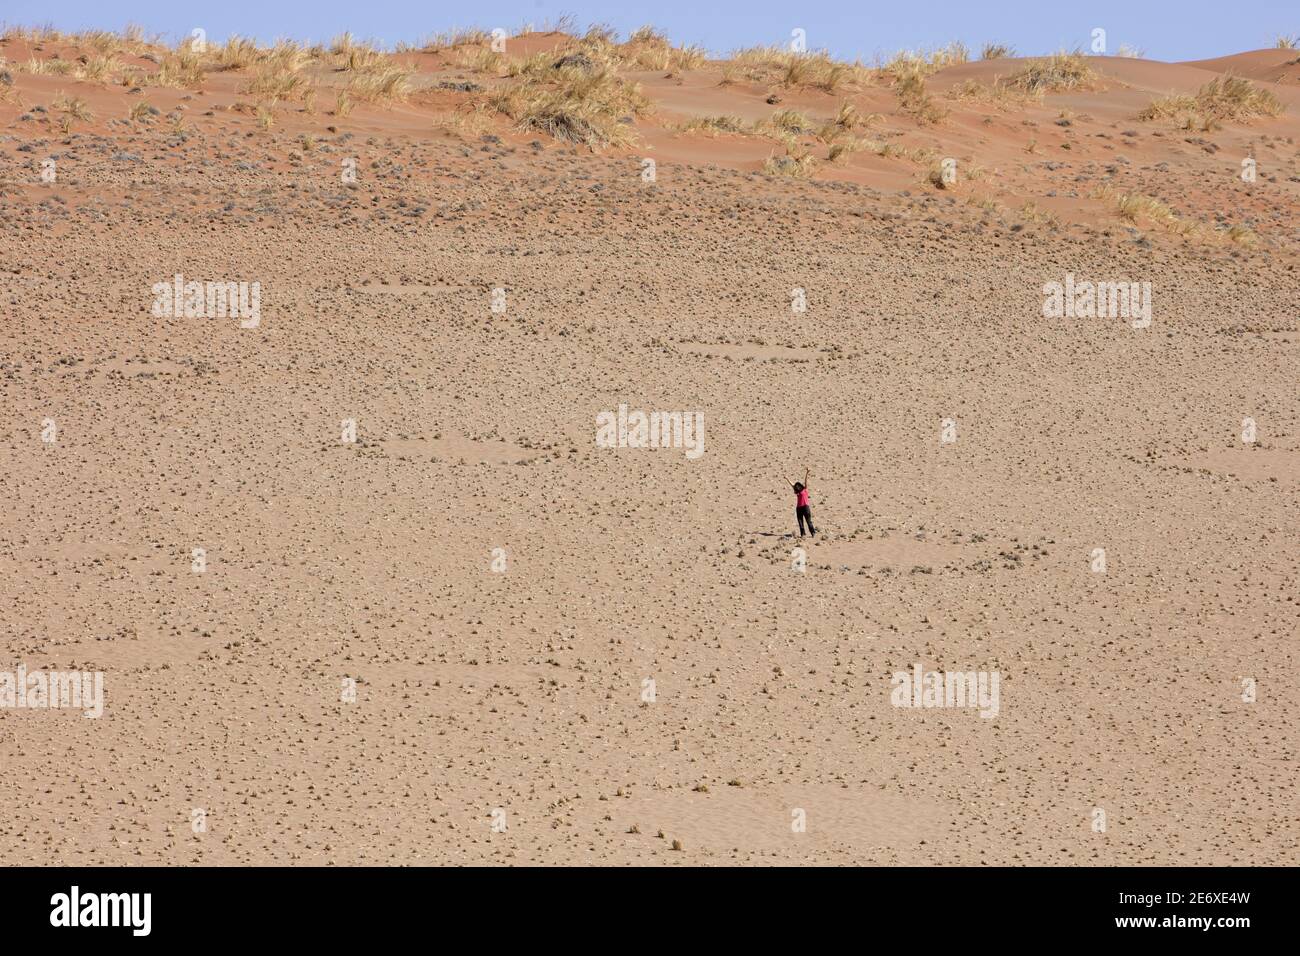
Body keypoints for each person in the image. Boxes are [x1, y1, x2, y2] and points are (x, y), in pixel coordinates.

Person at [786, 469, 816, 538]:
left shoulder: (805, 489)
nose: (795, 489)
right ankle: (803, 534)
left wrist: (807, 473)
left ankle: (813, 532)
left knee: (808, 521)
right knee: (800, 522)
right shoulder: (797, 492)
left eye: (796, 487)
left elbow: (806, 481)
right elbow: (792, 484)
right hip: (799, 508)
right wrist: (787, 478)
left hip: (805, 507)